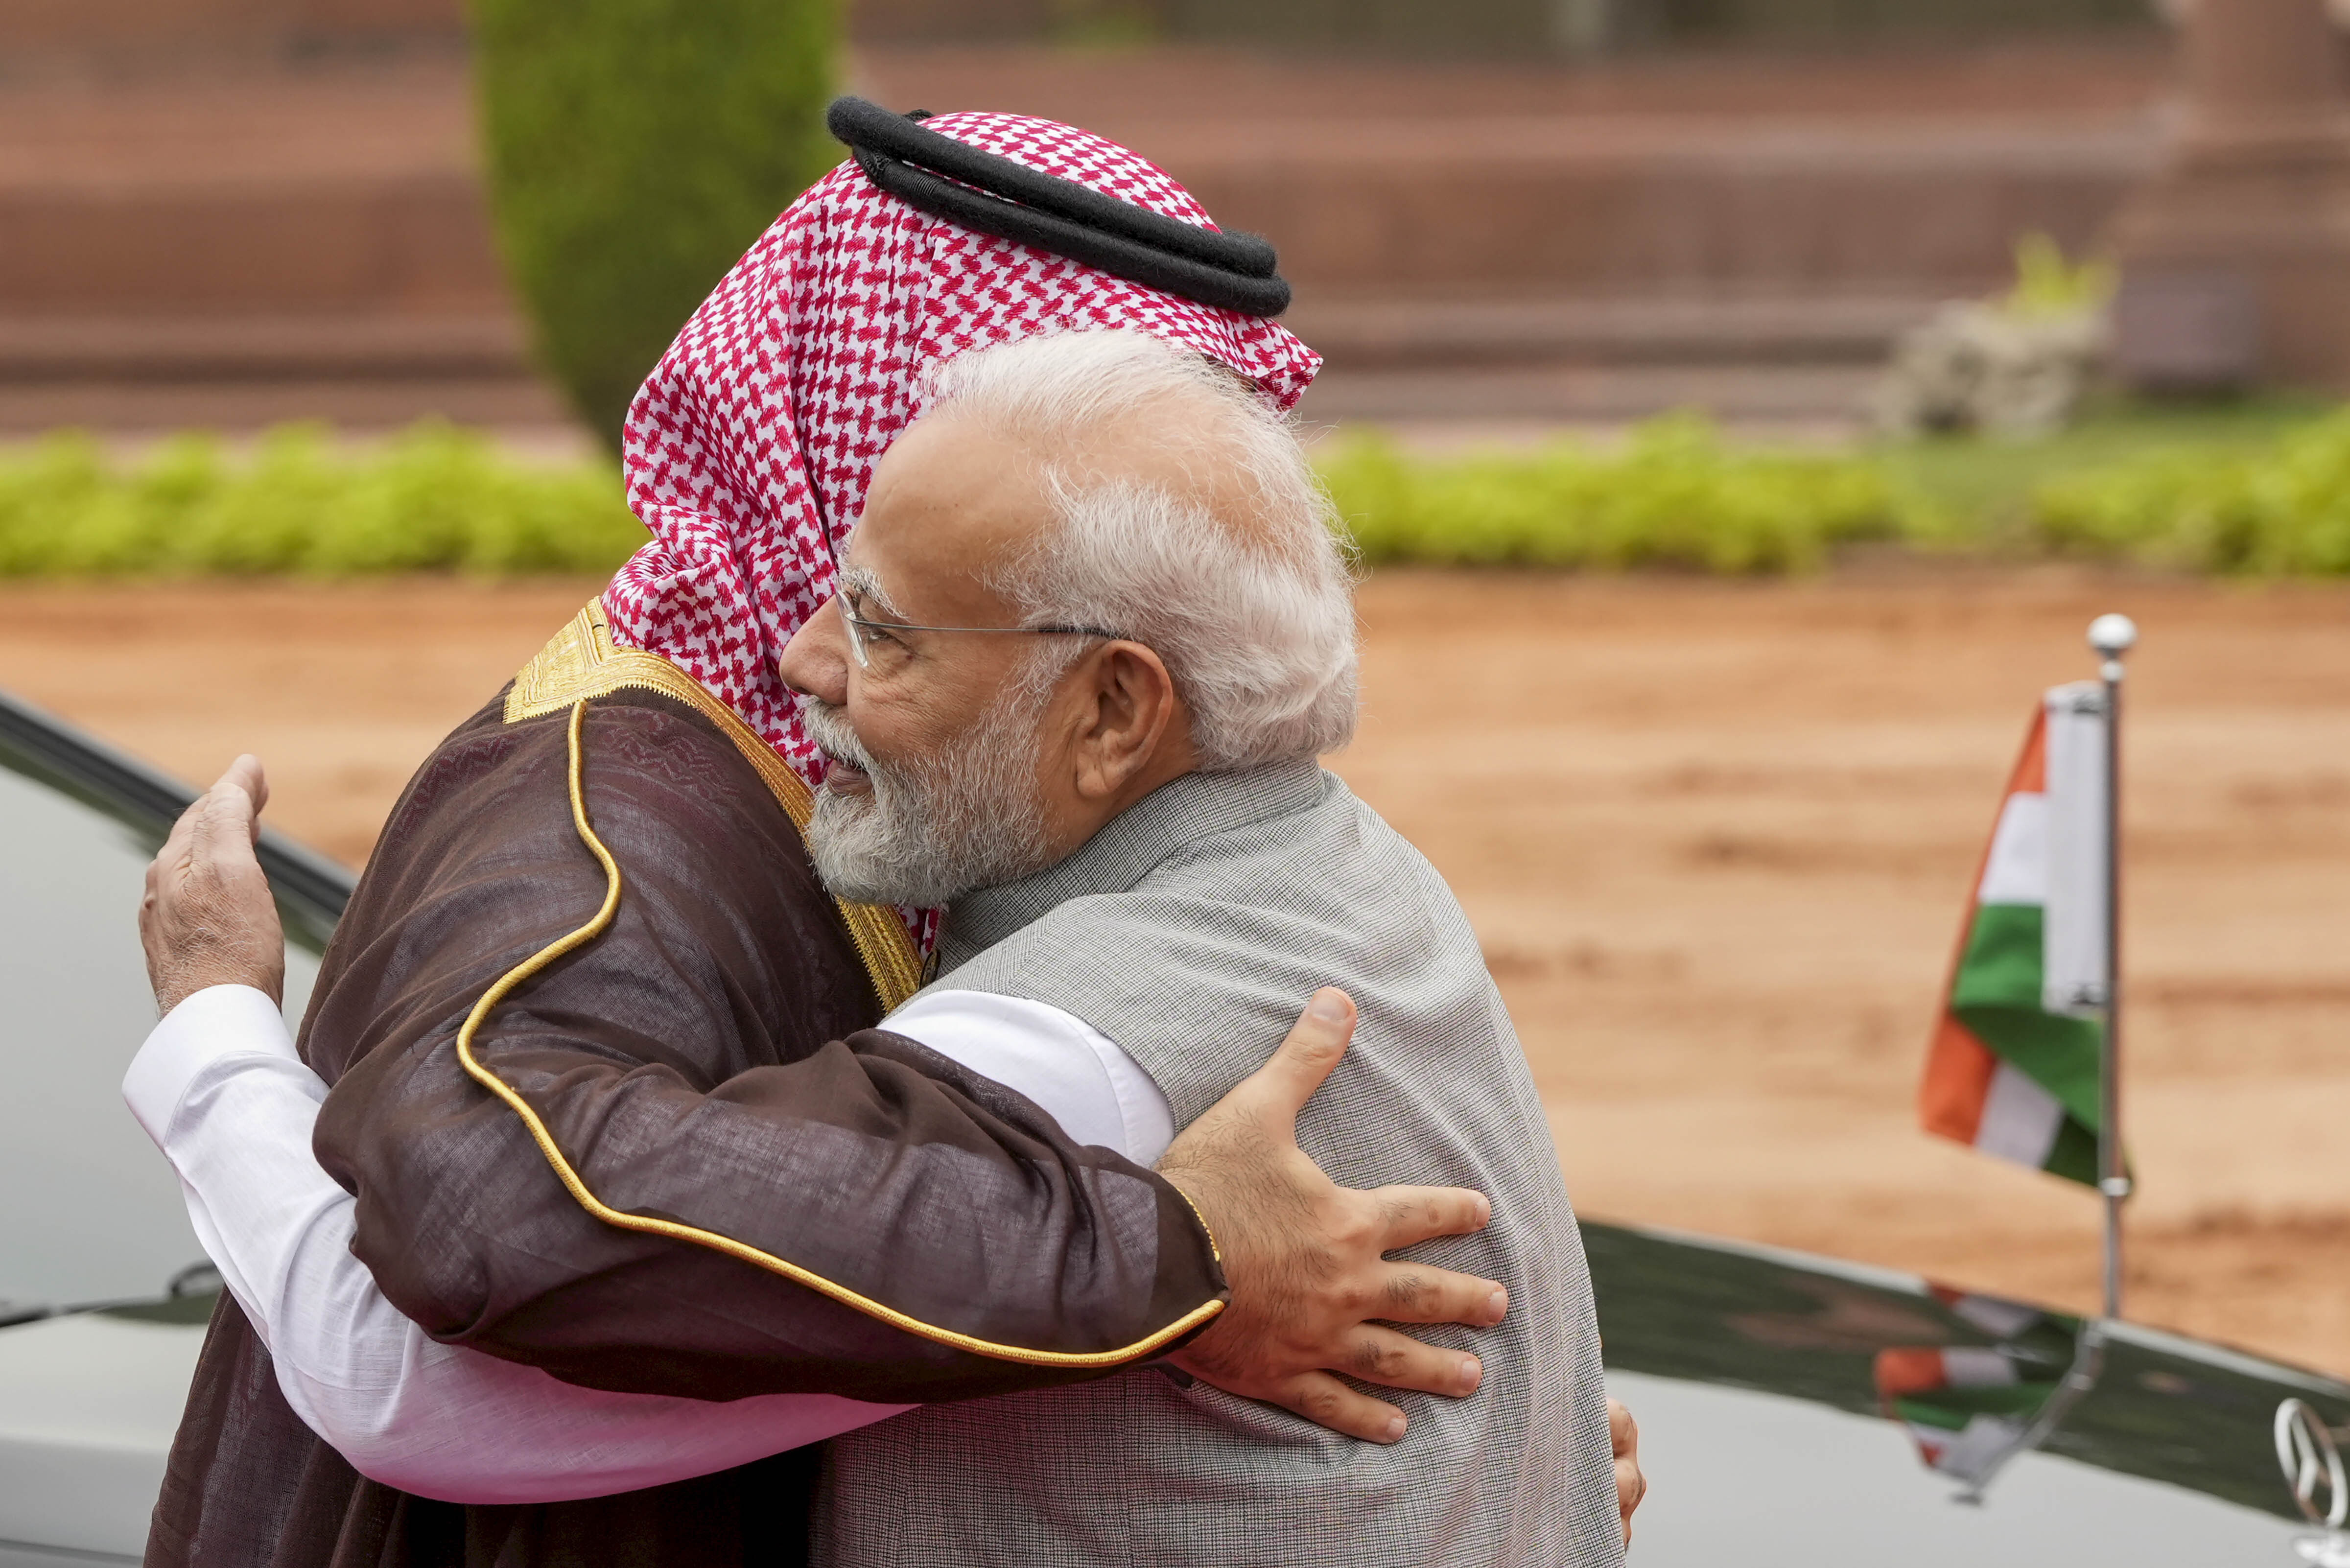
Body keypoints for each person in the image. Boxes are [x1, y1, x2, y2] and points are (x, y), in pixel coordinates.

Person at [131, 108, 1643, 1566]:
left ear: (1118, 705)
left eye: (885, 623)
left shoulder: (1075, 982)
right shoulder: (635, 827)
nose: (812, 656)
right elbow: (428, 1340)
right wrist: (1180, 1282)